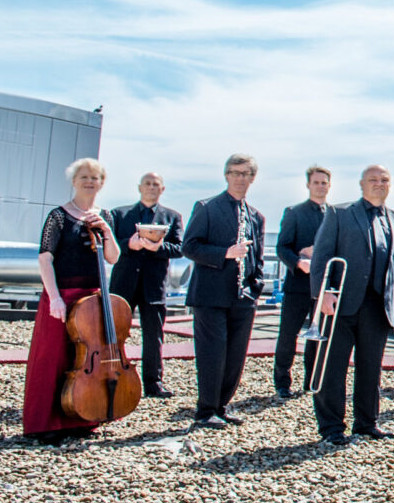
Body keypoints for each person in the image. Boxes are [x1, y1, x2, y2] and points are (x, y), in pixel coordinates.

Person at [309, 165, 394, 445]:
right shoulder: (339, 213)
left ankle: (367, 423)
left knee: (371, 368)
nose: (379, 184)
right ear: (362, 184)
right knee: (333, 367)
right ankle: (332, 427)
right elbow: (321, 256)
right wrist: (323, 294)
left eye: (384, 179)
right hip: (341, 303)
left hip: (379, 306)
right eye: (373, 179)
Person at [22, 158, 122, 444]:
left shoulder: (105, 216)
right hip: (62, 295)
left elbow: (113, 258)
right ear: (74, 181)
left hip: (92, 299)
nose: (90, 182)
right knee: (53, 358)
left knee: (87, 359)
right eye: (84, 177)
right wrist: (54, 297)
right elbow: (45, 258)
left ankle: (84, 416)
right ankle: (46, 423)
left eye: (95, 177)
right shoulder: (58, 216)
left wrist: (107, 231)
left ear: (101, 183)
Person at [182, 154, 266, 430]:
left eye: (245, 174)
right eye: (234, 173)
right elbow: (189, 246)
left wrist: (256, 288)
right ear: (226, 175)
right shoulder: (206, 208)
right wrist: (225, 253)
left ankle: (221, 406)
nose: (239, 178)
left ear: (252, 178)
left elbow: (258, 258)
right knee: (212, 354)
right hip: (210, 296)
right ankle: (206, 410)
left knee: (235, 357)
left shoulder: (256, 216)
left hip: (243, 297)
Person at [108, 171, 183, 399]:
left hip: (154, 286)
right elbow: (109, 245)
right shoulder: (118, 214)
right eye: (147, 183)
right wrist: (129, 245)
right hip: (123, 284)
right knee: (114, 332)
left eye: (155, 184)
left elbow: (180, 248)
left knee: (153, 335)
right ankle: (111, 377)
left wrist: (158, 248)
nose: (151, 187)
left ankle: (154, 382)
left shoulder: (172, 217)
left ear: (162, 189)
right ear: (139, 187)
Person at [272, 165, 331, 398]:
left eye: (324, 183)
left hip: (324, 288)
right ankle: (282, 383)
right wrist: (298, 261)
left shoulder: (334, 215)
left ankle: (311, 381)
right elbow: (282, 247)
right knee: (288, 335)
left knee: (317, 337)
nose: (320, 186)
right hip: (297, 285)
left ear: (329, 185)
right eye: (316, 182)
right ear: (308, 185)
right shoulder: (294, 212)